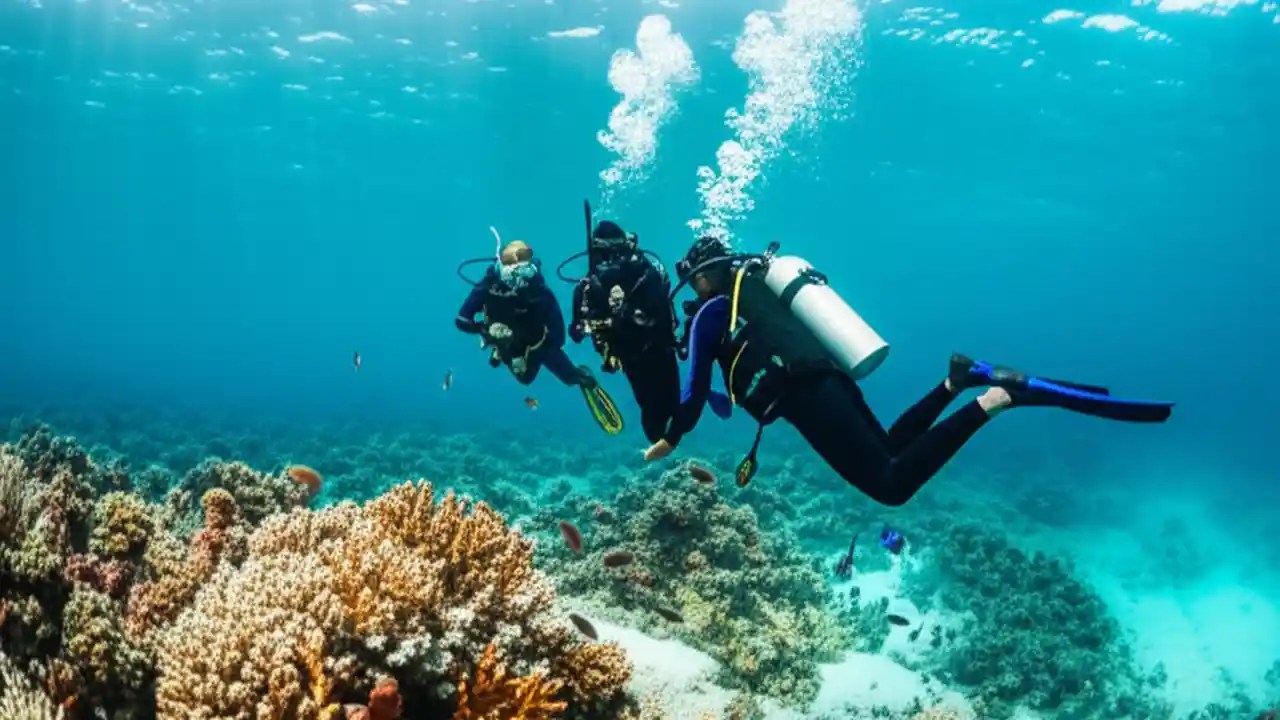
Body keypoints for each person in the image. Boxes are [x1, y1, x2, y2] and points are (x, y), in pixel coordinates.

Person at [643, 235, 1174, 506]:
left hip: (808, 400)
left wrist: (671, 436)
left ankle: (994, 400)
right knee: (892, 448)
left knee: (891, 484)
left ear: (705, 277)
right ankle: (956, 382)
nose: (693, 292)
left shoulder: (713, 313)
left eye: (693, 283)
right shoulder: (757, 297)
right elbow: (719, 389)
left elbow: (693, 394)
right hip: (830, 380)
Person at [455, 239, 624, 434]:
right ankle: (506, 355)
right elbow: (461, 319)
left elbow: (558, 334)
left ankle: (585, 379)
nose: (516, 272)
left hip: (541, 344)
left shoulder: (539, 292)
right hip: (509, 345)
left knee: (570, 378)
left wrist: (547, 348)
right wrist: (487, 332)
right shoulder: (488, 286)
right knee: (525, 379)